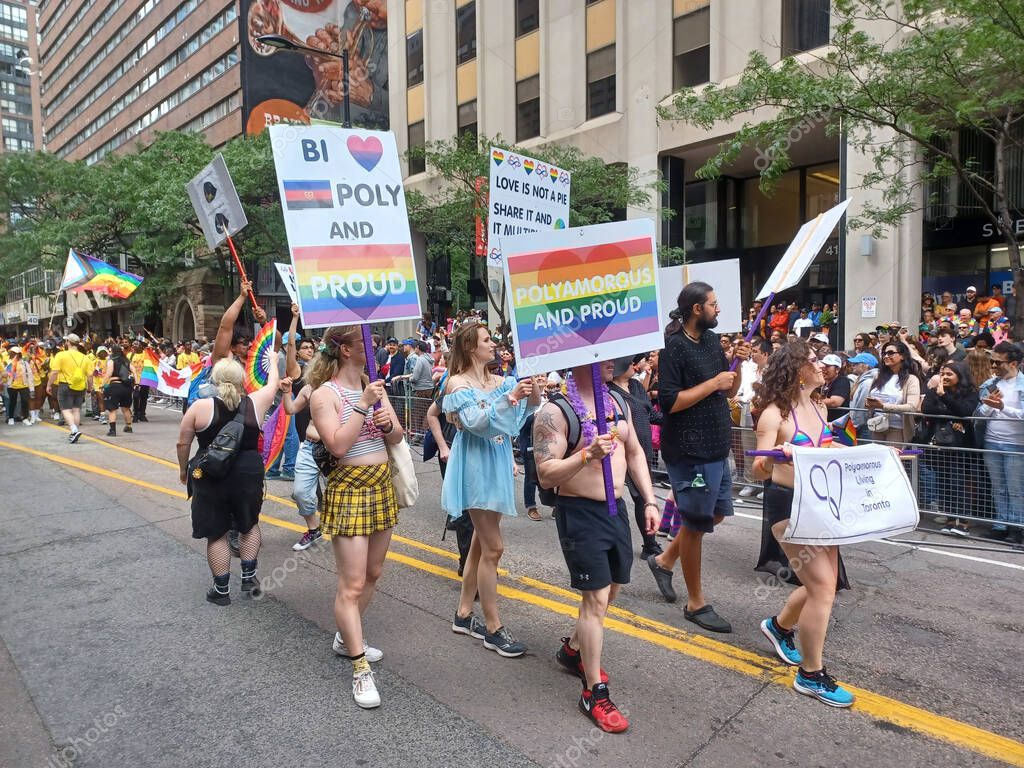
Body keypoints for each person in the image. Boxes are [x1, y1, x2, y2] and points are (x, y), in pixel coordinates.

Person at [533, 361, 660, 733]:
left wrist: (649, 501)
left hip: (615, 509)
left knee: (614, 588)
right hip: (580, 513)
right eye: (604, 357)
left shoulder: (618, 400)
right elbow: (545, 472)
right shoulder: (556, 411)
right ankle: (593, 691)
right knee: (596, 599)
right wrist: (586, 454)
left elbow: (635, 452)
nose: (614, 362)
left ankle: (573, 651)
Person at [750, 340, 855, 708]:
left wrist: (872, 454)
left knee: (823, 586)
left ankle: (779, 627)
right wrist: (777, 455)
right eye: (813, 361)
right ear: (796, 369)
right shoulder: (774, 415)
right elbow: (757, 468)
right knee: (823, 587)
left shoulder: (818, 406)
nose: (821, 366)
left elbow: (826, 449)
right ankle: (811, 674)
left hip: (821, 503)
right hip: (788, 506)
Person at [308, 325, 405, 709]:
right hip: (349, 488)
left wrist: (389, 425)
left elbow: (398, 437)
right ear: (346, 349)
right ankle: (359, 667)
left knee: (373, 574)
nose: (374, 347)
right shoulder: (323, 394)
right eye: (366, 342)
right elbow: (336, 444)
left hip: (381, 485)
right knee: (351, 583)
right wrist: (364, 405)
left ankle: (344, 637)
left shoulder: (374, 384)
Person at [648, 282, 749, 630]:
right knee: (694, 523)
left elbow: (729, 389)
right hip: (689, 449)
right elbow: (670, 402)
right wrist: (714, 383)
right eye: (714, 304)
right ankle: (696, 602)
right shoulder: (673, 348)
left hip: (717, 444)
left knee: (716, 515)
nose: (718, 309)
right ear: (696, 309)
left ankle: (664, 561)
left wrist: (736, 373)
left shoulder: (711, 342)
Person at [442, 322, 541, 658]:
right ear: (471, 346)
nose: (493, 344)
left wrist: (533, 384)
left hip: (496, 462)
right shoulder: (457, 383)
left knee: (480, 546)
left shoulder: (501, 381)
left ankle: (463, 614)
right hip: (474, 466)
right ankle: (493, 627)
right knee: (494, 548)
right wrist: (511, 398)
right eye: (487, 340)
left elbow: (524, 414)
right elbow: (476, 424)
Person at [176, 358, 282, 606]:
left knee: (217, 533)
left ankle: (221, 590)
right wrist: (274, 362)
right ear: (241, 380)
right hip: (248, 473)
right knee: (249, 524)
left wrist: (183, 470)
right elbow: (274, 384)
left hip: (211, 474)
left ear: (214, 379)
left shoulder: (200, 407)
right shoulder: (255, 403)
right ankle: (248, 578)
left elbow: (183, 443)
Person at [610, 355, 663, 560]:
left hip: (642, 450)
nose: (636, 365)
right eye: (631, 362)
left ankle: (649, 543)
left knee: (643, 496)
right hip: (619, 451)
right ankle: (618, 540)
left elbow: (649, 413)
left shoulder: (636, 386)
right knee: (621, 495)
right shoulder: (608, 392)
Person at [921, 361, 979, 537]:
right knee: (944, 482)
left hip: (961, 445)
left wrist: (945, 398)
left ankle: (964, 522)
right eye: (943, 373)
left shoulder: (970, 393)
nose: (944, 377)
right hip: (940, 444)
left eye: (949, 374)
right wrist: (949, 412)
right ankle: (951, 519)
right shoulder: (934, 391)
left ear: (959, 376)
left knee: (958, 483)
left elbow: (965, 411)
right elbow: (927, 409)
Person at [976, 342, 1024, 543]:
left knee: (1015, 488)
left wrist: (1002, 406)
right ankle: (1000, 524)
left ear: (1013, 363)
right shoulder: (989, 384)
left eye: (998, 362)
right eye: (992, 361)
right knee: (998, 487)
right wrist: (989, 406)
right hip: (991, 442)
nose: (993, 366)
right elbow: (979, 414)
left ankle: (1017, 527)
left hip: (1016, 444)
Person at [281, 337, 324, 551]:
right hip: (309, 446)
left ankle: (350, 532)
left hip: (337, 447)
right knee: (300, 492)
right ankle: (314, 529)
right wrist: (287, 392)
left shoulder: (342, 387)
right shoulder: (309, 388)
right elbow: (290, 409)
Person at [865, 340, 923, 444]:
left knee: (892, 459)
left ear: (902, 356)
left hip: (897, 428)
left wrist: (883, 406)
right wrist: (869, 404)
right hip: (876, 425)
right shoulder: (878, 376)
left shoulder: (911, 379)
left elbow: (911, 407)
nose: (886, 356)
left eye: (891, 353)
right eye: (884, 353)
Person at [46, 334, 90, 443]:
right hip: (80, 386)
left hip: (65, 385)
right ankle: (75, 431)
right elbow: (90, 376)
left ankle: (74, 430)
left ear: (68, 343)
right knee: (76, 410)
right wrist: (90, 387)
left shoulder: (61, 355)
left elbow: (54, 372)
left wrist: (49, 385)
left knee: (66, 409)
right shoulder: (85, 357)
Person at [103, 344, 135, 437]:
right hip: (127, 387)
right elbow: (134, 371)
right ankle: (128, 427)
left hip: (115, 386)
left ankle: (112, 430)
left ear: (112, 352)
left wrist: (103, 384)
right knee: (126, 408)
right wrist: (136, 383)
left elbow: (108, 374)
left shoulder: (111, 361)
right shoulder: (126, 361)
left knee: (112, 409)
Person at [4, 346, 34, 426]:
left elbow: (30, 375)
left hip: (23, 385)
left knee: (25, 401)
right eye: (14, 354)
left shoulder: (24, 362)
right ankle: (10, 417)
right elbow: (5, 373)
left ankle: (25, 418)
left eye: (17, 354)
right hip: (12, 385)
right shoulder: (8, 362)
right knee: (12, 402)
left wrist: (31, 389)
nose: (16, 355)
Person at [819, 354, 851, 422]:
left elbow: (834, 402)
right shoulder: (822, 382)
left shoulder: (842, 381)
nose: (823, 369)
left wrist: (812, 400)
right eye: (823, 366)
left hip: (838, 425)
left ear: (837, 369)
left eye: (827, 366)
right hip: (825, 423)